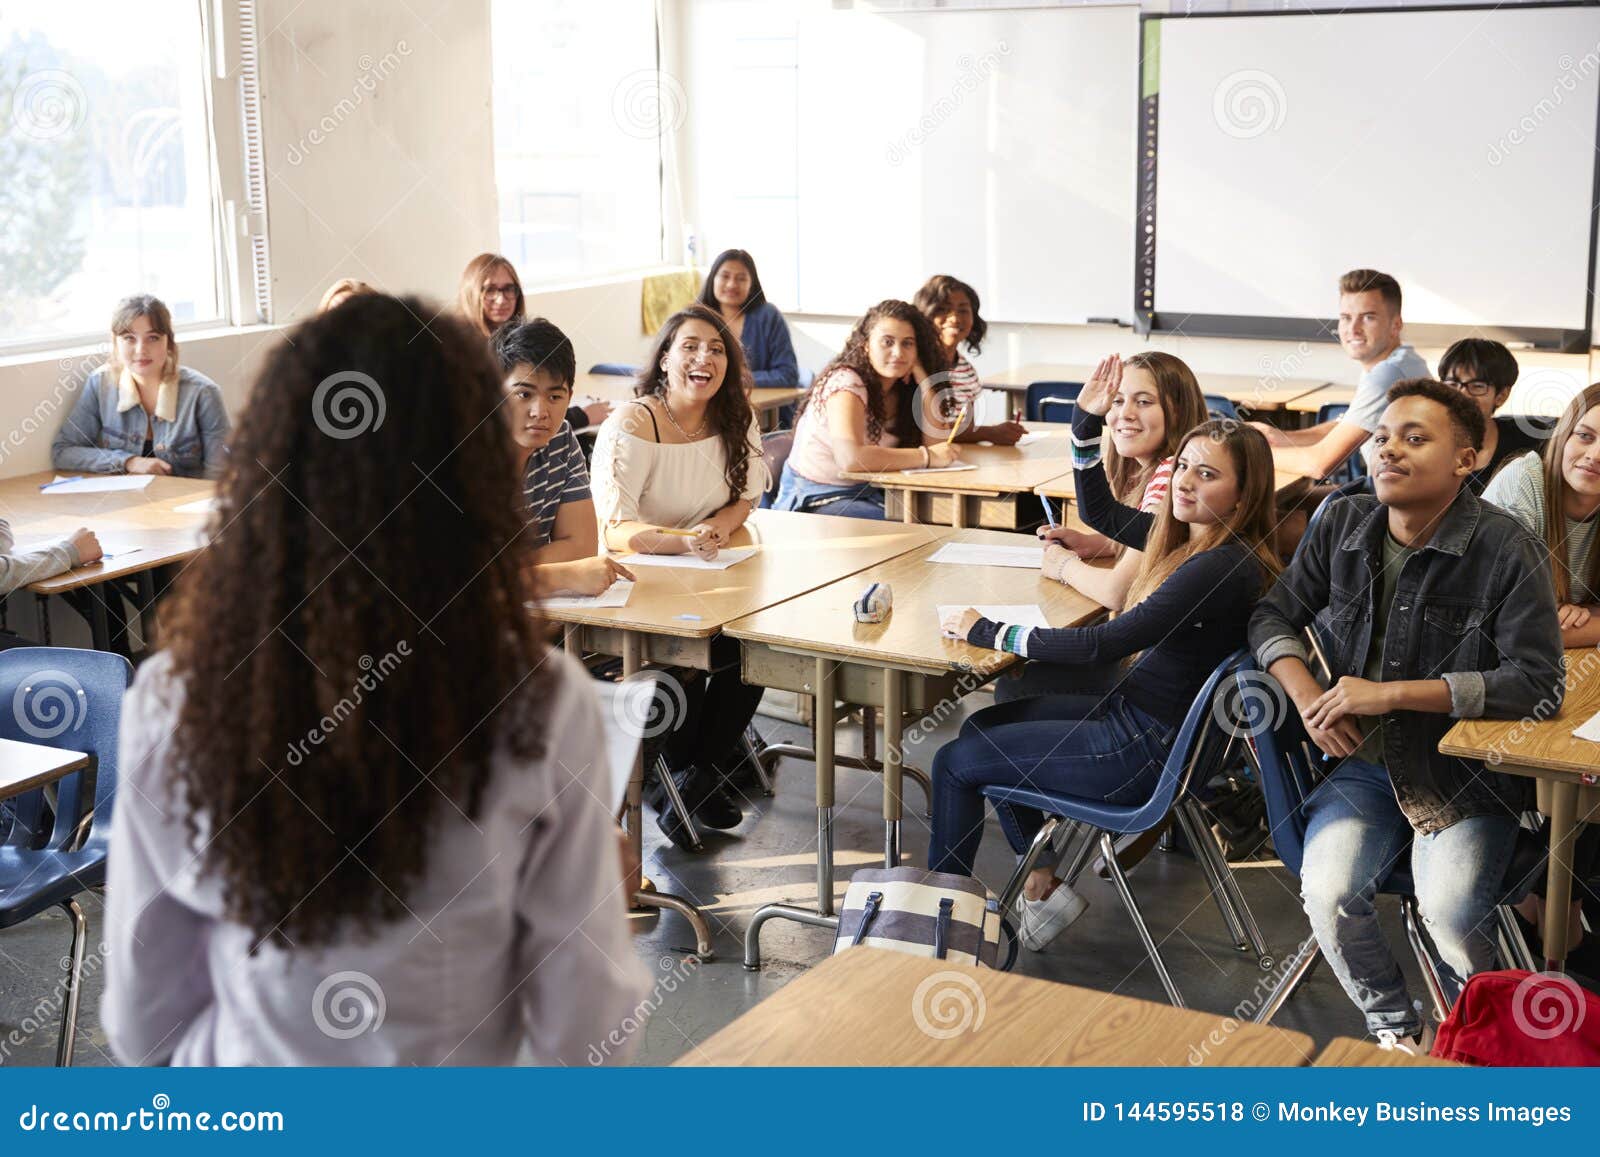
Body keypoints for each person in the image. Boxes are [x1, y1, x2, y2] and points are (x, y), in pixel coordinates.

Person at [102, 294, 645, 1065]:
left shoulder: (171, 701)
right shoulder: (545, 703)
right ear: (475, 476)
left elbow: (141, 1026)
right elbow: (588, 1038)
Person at [1249, 379, 1565, 1053]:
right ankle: (1399, 1027)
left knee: (1451, 915)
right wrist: (1307, 694)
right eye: (1385, 435)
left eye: (1415, 438)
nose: (1389, 448)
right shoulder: (1341, 521)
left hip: (1462, 777)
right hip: (1364, 770)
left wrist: (1392, 693)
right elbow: (1272, 614)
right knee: (1331, 893)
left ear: (1467, 459)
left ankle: (1497, 1043)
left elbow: (1538, 682)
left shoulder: (1508, 547)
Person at [931, 421, 1281, 950]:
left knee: (954, 762)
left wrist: (993, 632)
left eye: (1207, 474)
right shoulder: (1205, 544)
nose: (1185, 482)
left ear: (1241, 496)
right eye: (1183, 466)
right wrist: (1085, 428)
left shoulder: (1216, 568)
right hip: (1140, 727)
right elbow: (1101, 515)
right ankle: (1043, 884)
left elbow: (1104, 644)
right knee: (981, 725)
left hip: (1138, 751)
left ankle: (937, 929)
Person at [591, 304, 769, 847]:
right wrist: (681, 543)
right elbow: (616, 529)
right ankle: (688, 785)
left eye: (717, 349)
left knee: (750, 651)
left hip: (708, 574)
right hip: (637, 583)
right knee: (685, 665)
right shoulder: (634, 423)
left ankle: (690, 784)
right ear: (665, 359)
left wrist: (715, 526)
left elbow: (746, 496)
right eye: (690, 346)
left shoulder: (735, 418)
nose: (704, 358)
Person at [1041, 351, 1210, 613]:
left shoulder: (1172, 476)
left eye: (1143, 402)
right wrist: (1099, 543)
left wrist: (1063, 565)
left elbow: (1116, 593)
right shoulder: (1170, 467)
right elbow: (1162, 538)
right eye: (1117, 401)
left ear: (1177, 411)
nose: (1126, 413)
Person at [773, 300, 960, 519]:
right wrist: (926, 457)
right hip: (815, 496)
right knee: (907, 525)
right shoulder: (846, 382)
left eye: (908, 343)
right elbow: (851, 459)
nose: (898, 352)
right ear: (866, 345)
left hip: (868, 492)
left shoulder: (904, 389)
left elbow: (939, 446)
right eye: (887, 342)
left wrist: (923, 379)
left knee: (936, 517)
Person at [492, 318, 632, 597]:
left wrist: (510, 575)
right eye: (523, 394)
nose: (540, 412)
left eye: (555, 397)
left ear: (570, 396)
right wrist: (561, 575)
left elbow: (582, 546)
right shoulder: (462, 453)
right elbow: (462, 584)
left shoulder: (560, 438)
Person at [1257, 269, 1429, 479]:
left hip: (1394, 506)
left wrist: (1247, 453)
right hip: (1394, 498)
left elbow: (1318, 465)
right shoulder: (1399, 360)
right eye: (1346, 317)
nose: (1353, 329)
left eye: (1367, 317)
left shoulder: (1387, 374)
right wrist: (1281, 437)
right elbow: (1349, 425)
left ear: (1396, 325)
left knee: (1277, 507)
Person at [52, 294, 231, 479]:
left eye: (152, 338)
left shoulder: (203, 393)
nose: (141, 350)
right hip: (126, 503)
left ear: (168, 342)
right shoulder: (100, 384)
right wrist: (129, 462)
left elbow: (221, 475)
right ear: (115, 343)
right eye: (129, 338)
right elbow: (63, 451)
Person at [458, 252, 610, 431]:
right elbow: (498, 418)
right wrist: (582, 416)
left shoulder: (523, 339)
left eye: (508, 289)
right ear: (471, 292)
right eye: (490, 290)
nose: (501, 299)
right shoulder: (461, 351)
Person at [911, 274, 1025, 446]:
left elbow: (965, 427)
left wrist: (991, 433)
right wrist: (990, 433)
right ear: (925, 315)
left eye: (963, 310)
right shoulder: (913, 367)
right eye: (942, 309)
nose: (955, 318)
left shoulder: (966, 370)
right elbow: (924, 430)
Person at [1436, 338, 1546, 492]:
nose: (1462, 394)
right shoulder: (1425, 442)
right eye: (1452, 384)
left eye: (1477, 386)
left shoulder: (1529, 446)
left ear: (1502, 396)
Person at [697, 248, 799, 389]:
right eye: (725, 276)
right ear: (712, 279)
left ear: (752, 285)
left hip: (763, 407)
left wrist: (737, 379)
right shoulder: (696, 319)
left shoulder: (769, 317)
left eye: (741, 278)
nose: (732, 284)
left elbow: (788, 375)